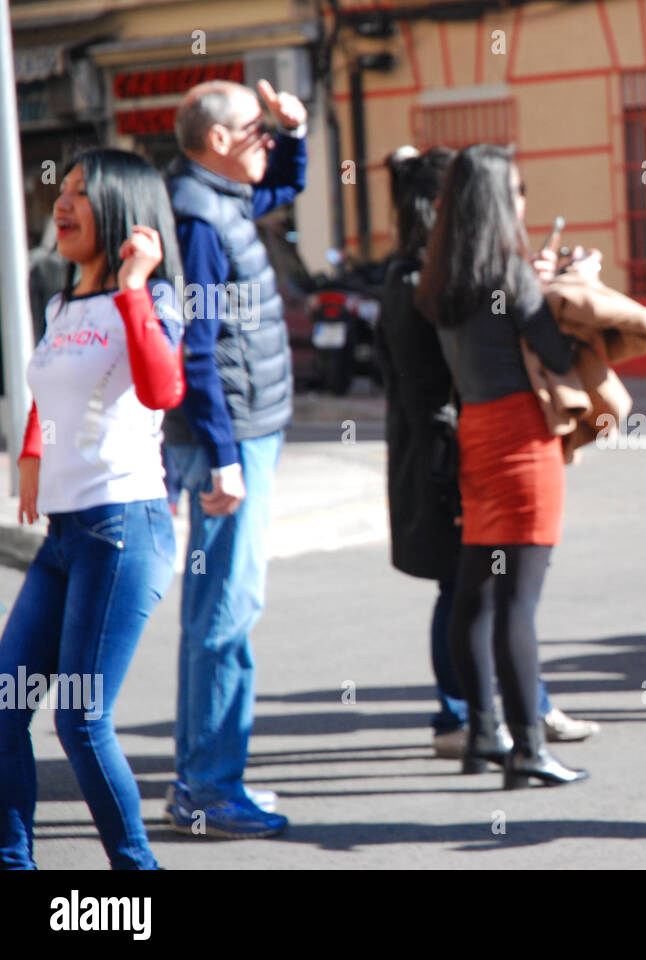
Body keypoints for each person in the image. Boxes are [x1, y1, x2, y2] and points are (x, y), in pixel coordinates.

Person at [376, 147, 597, 762]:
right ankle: (529, 748)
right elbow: (555, 356)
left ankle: (480, 733)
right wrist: (572, 284)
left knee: (475, 594)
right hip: (523, 439)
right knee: (518, 604)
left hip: (474, 432)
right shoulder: (510, 269)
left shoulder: (438, 276)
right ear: (502, 198)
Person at [0, 149, 185, 869]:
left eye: (83, 193)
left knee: (79, 720)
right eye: (63, 191)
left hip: (123, 527)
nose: (63, 202)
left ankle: (136, 878)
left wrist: (136, 286)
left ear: (124, 213)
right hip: (64, 535)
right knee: (7, 708)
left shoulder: (153, 301)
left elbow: (165, 388)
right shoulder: (60, 302)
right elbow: (50, 390)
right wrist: (33, 455)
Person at [161, 78, 307, 838]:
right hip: (234, 438)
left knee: (221, 609)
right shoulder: (200, 219)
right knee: (224, 613)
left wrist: (294, 129)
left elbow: (286, 180)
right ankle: (208, 790)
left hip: (250, 429)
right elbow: (200, 346)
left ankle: (206, 781)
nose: (268, 142)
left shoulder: (221, 197)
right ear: (218, 141)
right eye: (257, 130)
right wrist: (222, 458)